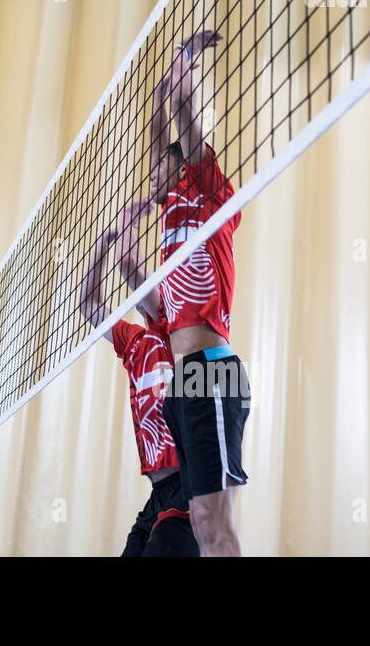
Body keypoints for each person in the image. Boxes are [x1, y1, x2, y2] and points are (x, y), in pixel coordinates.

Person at [149, 30, 249, 557]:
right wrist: (159, 89)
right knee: (199, 523)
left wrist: (182, 64)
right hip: (184, 380)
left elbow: (185, 120)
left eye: (162, 166)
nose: (152, 175)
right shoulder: (166, 210)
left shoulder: (209, 192)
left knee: (212, 522)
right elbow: (156, 134)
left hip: (211, 368)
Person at [79, 199, 198, 557]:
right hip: (158, 497)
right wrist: (106, 239)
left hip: (187, 491)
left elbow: (130, 265)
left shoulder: (173, 329)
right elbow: (87, 302)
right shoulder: (133, 340)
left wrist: (128, 221)